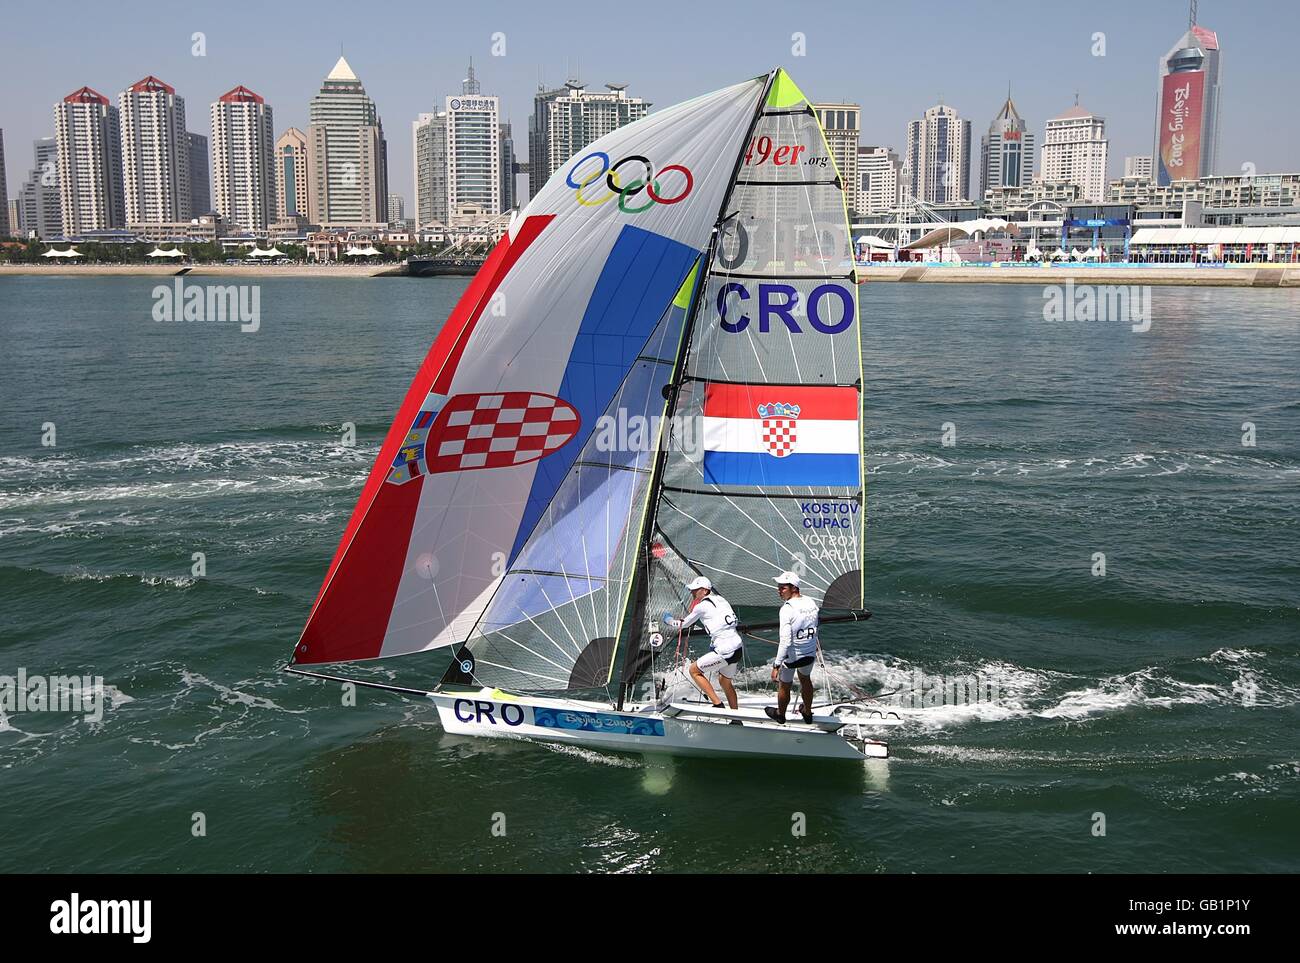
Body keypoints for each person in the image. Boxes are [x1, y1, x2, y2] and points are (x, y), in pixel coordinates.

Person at [662, 576, 743, 711]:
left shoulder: (702, 606)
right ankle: (736, 717)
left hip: (725, 650)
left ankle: (718, 704)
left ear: (705, 591)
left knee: (694, 670)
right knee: (725, 681)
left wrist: (669, 620)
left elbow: (683, 625)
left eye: (695, 590)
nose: (692, 592)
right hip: (737, 648)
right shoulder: (722, 599)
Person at [765, 570, 818, 725]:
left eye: (783, 587)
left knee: (784, 684)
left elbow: (785, 641)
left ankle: (780, 715)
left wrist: (776, 665)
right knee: (805, 680)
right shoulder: (811, 602)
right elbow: (815, 626)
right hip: (809, 653)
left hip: (793, 657)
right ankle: (807, 712)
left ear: (794, 588)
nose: (779, 590)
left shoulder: (787, 609)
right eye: (779, 587)